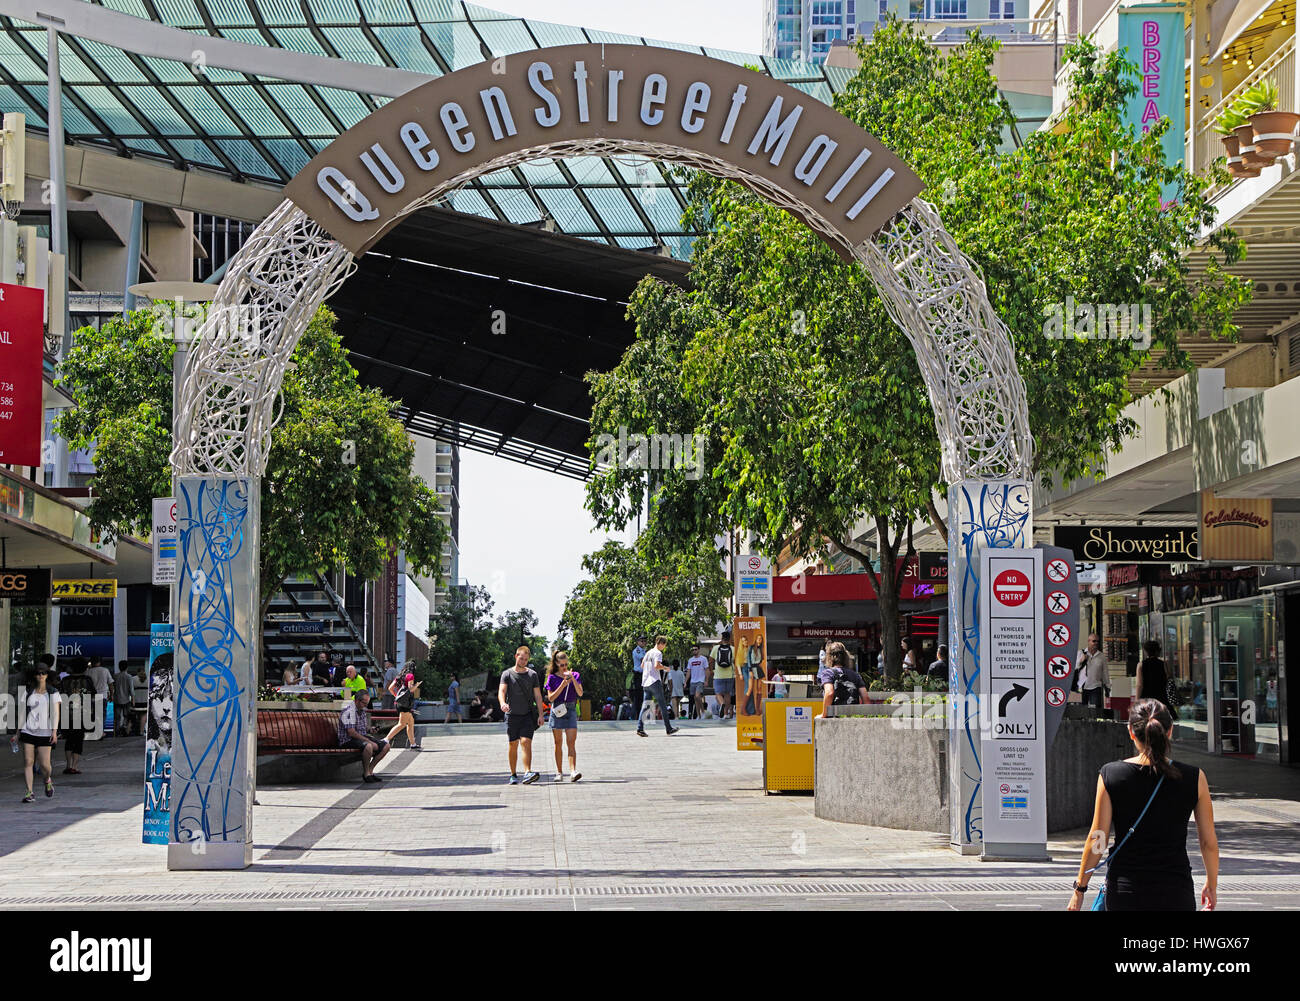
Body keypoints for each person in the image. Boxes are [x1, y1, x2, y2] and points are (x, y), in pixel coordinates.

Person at [1069, 699, 1219, 912]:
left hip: (1125, 890)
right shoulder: (1195, 777)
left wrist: (1079, 889)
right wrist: (1211, 884)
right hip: (1175, 890)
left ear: (1131, 731)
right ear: (1170, 732)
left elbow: (1098, 838)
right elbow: (1208, 842)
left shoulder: (1111, 774)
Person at [499, 645, 543, 785]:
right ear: (516, 656)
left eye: (525, 659)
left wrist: (541, 715)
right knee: (513, 744)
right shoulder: (507, 674)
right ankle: (513, 774)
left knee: (526, 742)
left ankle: (527, 772)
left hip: (527, 715)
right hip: (512, 715)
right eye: (521, 658)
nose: (523, 661)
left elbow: (538, 695)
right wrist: (502, 703)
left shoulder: (532, 675)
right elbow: (502, 692)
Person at [19, 663, 60, 802]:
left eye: (43, 673)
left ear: (47, 675)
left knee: (44, 765)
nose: (40, 676)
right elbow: (22, 712)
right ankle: (29, 792)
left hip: (45, 731)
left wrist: (54, 731)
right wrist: (17, 732)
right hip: (28, 729)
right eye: (38, 673)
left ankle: (47, 780)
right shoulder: (28, 691)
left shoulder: (53, 692)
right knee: (28, 761)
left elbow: (56, 713)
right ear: (34, 675)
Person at [544, 650, 583, 782]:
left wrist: (572, 679)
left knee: (571, 742)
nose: (564, 667)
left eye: (566, 664)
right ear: (556, 664)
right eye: (561, 665)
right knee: (558, 742)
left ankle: (573, 771)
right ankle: (559, 772)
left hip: (571, 708)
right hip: (558, 709)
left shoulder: (575, 675)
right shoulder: (552, 677)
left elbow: (580, 693)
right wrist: (563, 684)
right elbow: (550, 698)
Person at [338, 690, 389, 783]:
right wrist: (368, 741)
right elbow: (351, 733)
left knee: (386, 746)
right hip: (348, 740)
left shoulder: (361, 710)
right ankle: (366, 774)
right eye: (364, 703)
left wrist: (370, 729)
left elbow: (363, 727)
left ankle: (370, 771)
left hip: (359, 737)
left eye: (367, 703)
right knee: (368, 746)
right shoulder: (349, 711)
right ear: (357, 700)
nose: (365, 705)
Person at [637, 636, 680, 738]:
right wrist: (665, 668)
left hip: (646, 682)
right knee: (663, 705)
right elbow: (657, 665)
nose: (664, 647)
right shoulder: (658, 653)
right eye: (664, 645)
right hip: (654, 681)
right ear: (661, 643)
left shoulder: (648, 653)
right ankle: (668, 728)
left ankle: (640, 728)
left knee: (645, 706)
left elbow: (642, 665)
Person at [817, 642, 867, 719]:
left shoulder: (828, 673)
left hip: (835, 719)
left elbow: (829, 693)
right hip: (852, 718)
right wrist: (865, 716)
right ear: (845, 657)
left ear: (829, 657)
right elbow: (865, 697)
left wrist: (824, 714)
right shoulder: (855, 675)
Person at [60, 660, 93, 775]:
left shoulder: (65, 680)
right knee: (78, 739)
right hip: (82, 714)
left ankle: (68, 765)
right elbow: (92, 695)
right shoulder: (87, 680)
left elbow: (61, 696)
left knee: (69, 739)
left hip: (66, 713)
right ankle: (74, 766)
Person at [385, 672, 422, 750]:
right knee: (401, 724)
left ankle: (413, 744)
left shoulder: (401, 677)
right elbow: (410, 689)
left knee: (410, 723)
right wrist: (416, 685)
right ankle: (386, 740)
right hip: (405, 706)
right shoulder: (410, 676)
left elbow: (390, 688)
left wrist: (397, 696)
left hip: (402, 704)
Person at [1077, 633, 1108, 713]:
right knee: (1082, 710)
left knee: (1095, 711)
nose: (1096, 643)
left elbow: (1105, 672)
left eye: (1097, 641)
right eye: (1094, 641)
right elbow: (1074, 668)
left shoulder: (1102, 656)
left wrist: (1107, 686)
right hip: (1082, 686)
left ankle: (1094, 724)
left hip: (1096, 686)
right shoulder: (1080, 653)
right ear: (1088, 641)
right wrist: (1081, 661)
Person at [712, 632, 735, 720]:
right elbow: (735, 661)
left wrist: (711, 670)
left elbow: (711, 660)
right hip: (729, 675)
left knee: (718, 693)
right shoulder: (733, 649)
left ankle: (721, 704)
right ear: (729, 639)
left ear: (722, 638)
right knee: (727, 694)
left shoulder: (716, 648)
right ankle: (725, 714)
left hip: (718, 675)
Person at [113, 660, 137, 737]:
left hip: (117, 699)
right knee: (126, 716)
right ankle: (124, 729)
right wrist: (133, 700)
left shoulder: (115, 676)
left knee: (117, 717)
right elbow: (131, 689)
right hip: (126, 700)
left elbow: (113, 688)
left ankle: (116, 731)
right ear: (127, 667)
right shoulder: (129, 676)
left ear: (119, 667)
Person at [685, 645, 709, 719]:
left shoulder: (703, 659)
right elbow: (689, 671)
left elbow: (707, 670)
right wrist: (686, 682)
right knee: (695, 698)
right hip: (693, 681)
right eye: (693, 650)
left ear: (699, 650)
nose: (694, 651)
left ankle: (703, 712)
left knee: (698, 696)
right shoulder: (690, 660)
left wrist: (706, 680)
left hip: (700, 680)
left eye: (695, 649)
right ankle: (699, 715)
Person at [629, 636, 647, 723]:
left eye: (644, 641)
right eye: (642, 641)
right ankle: (635, 716)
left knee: (644, 696)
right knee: (638, 697)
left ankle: (642, 716)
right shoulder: (637, 650)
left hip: (644, 675)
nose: (643, 642)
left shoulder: (645, 651)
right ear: (638, 642)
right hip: (638, 675)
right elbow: (644, 660)